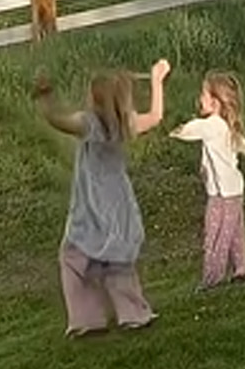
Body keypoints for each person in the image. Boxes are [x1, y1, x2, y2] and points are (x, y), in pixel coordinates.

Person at [34, 58, 171, 335]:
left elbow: (57, 120)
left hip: (91, 204)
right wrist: (157, 79)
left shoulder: (89, 124)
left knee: (74, 257)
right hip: (118, 203)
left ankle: (87, 319)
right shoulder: (124, 122)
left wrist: (45, 97)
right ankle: (133, 314)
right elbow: (155, 117)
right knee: (118, 260)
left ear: (93, 98)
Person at [170, 70, 245, 290]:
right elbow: (241, 146)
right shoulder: (224, 126)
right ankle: (241, 269)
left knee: (217, 236)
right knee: (234, 231)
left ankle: (212, 280)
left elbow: (193, 129)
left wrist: (175, 130)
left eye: (204, 94)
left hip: (226, 193)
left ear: (216, 102)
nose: (200, 99)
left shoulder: (214, 125)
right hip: (227, 191)